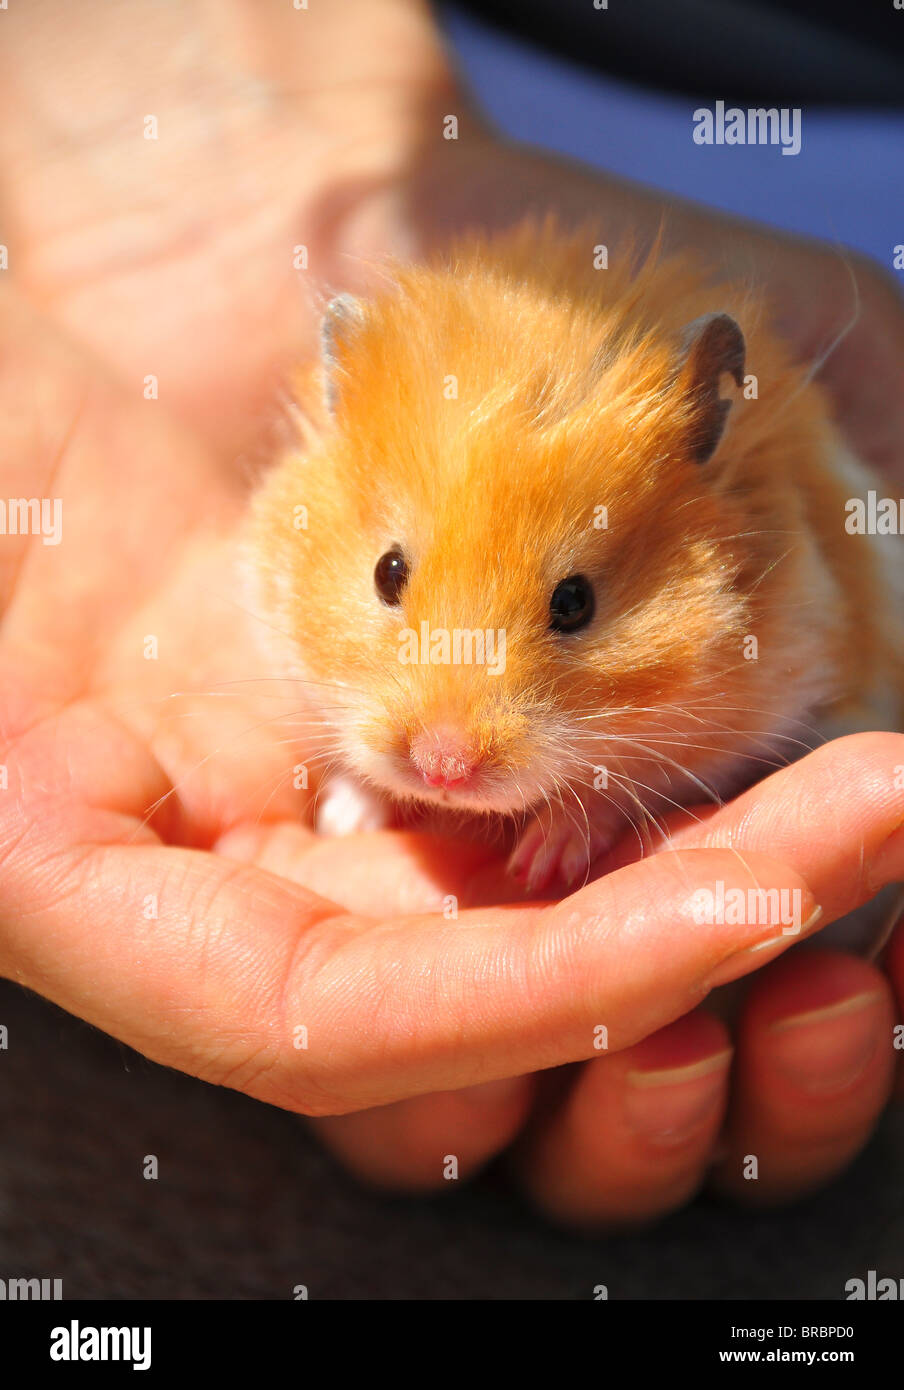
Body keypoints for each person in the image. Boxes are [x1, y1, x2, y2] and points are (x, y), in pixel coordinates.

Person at [0, 0, 901, 1228]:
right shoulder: (336, 451)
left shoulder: (753, 543)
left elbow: (817, 678)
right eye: (393, 582)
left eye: (570, 606)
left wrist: (596, 791)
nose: (449, 743)